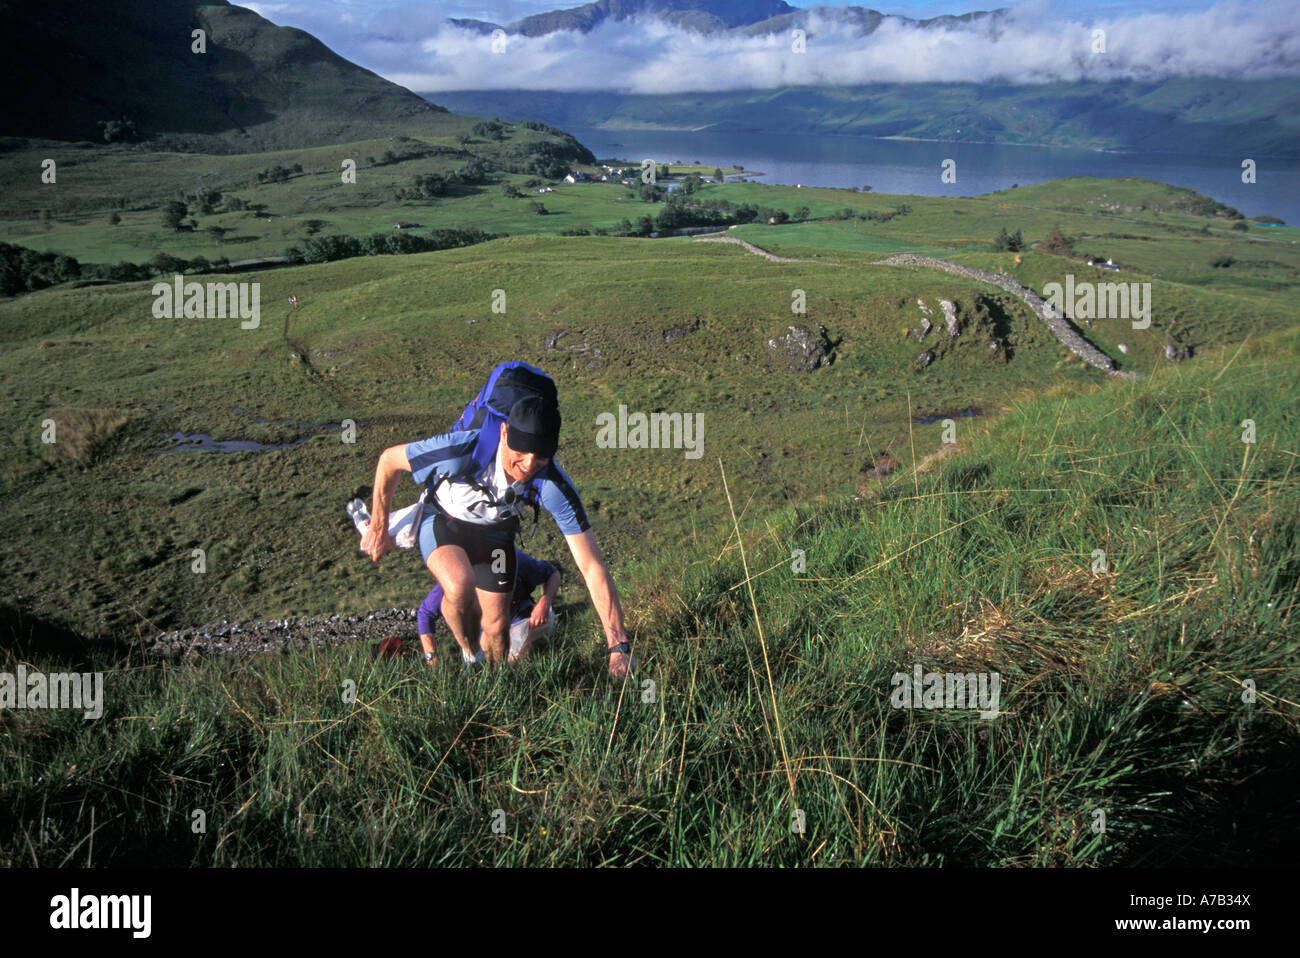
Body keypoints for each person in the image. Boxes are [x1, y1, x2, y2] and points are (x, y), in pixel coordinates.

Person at [361, 395, 633, 678]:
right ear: (504, 433)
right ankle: (469, 651)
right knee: (459, 584)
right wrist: (379, 527)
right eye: (522, 451)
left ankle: (496, 686)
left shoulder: (551, 483)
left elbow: (591, 565)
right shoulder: (460, 451)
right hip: (445, 521)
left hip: (496, 538)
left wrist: (619, 647)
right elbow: (389, 460)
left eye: (540, 457)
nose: (528, 465)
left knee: (498, 627)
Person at [417, 547, 559, 667]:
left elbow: (552, 573)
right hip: (479, 633)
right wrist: (431, 657)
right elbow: (425, 613)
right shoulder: (458, 575)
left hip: (520, 618)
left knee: (515, 659)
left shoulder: (513, 558)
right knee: (480, 669)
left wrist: (544, 604)